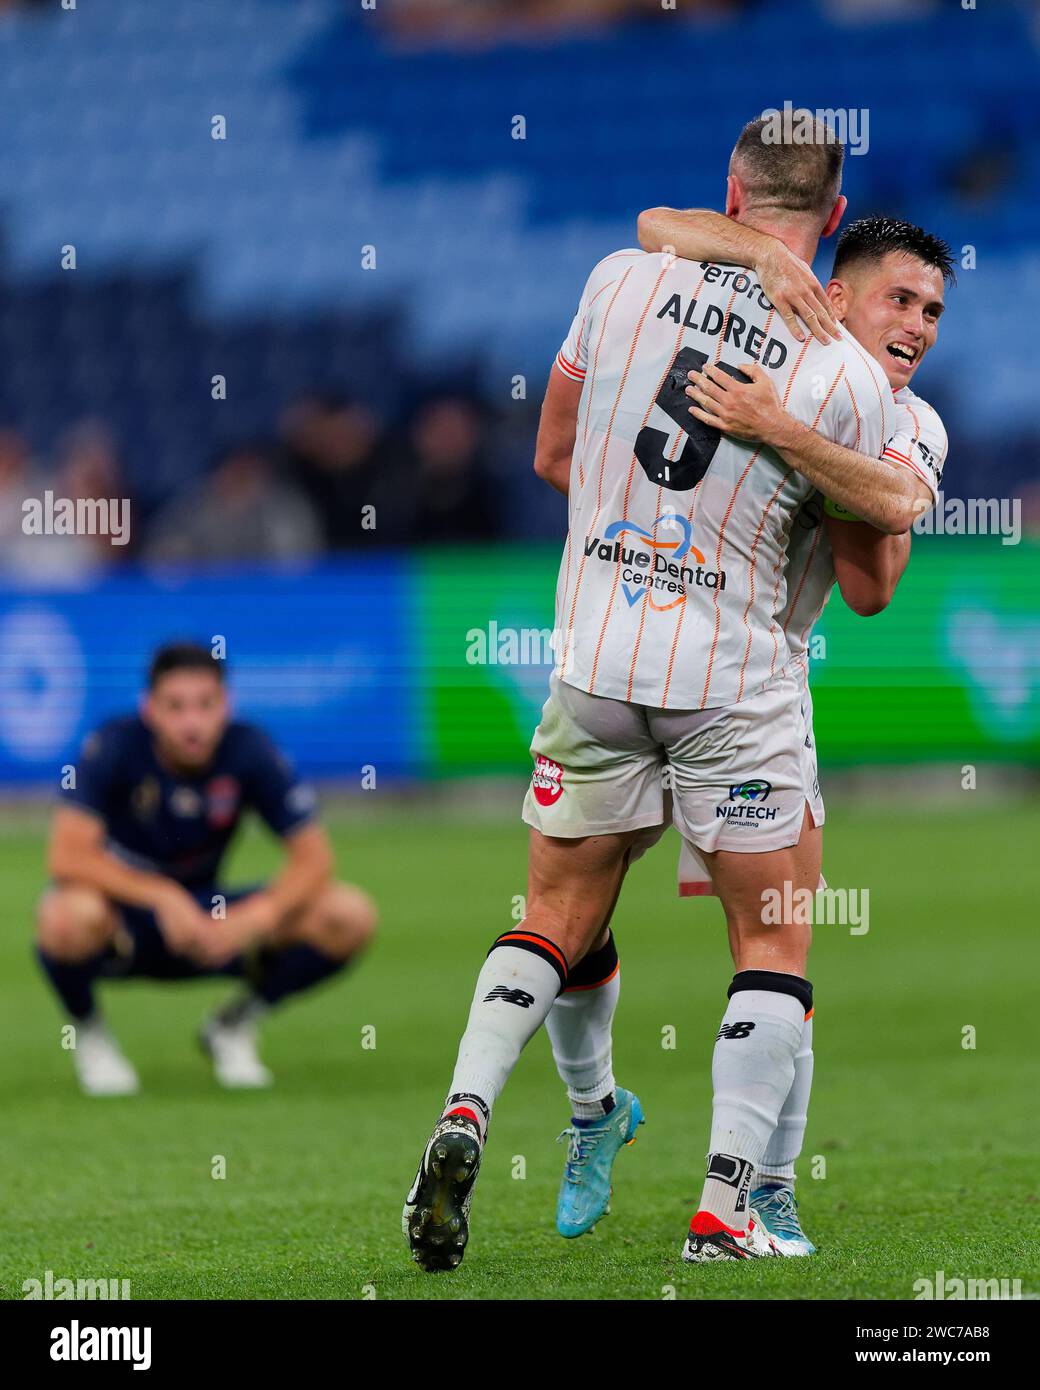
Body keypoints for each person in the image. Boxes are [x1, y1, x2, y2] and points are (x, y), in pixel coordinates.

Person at [404, 111, 931, 1269]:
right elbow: (876, 546)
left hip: (594, 663)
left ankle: (466, 1111)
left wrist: (635, 529)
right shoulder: (847, 378)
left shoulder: (621, 278)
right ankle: (725, 1212)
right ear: (834, 222)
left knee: (553, 918)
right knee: (770, 941)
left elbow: (550, 455)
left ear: (728, 193)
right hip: (733, 683)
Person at [544, 211, 953, 1256]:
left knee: (770, 942)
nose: (914, 323)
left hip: (756, 698)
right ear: (837, 289)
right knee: (580, 921)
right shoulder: (755, 342)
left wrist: (790, 440)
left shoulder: (906, 423)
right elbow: (654, 224)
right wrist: (757, 253)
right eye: (897, 299)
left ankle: (760, 1191)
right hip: (644, 669)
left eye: (931, 310)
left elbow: (869, 584)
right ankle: (599, 1116)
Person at [36, 641, 376, 1095]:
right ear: (149, 709)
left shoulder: (250, 749)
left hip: (211, 920)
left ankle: (234, 1025)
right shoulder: (113, 745)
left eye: (205, 705)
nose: (191, 722)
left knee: (349, 913)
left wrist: (257, 916)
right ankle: (91, 1036)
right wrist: (162, 895)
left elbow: (314, 858)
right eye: (175, 707)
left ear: (226, 705)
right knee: (64, 916)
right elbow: (67, 855)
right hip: (129, 920)